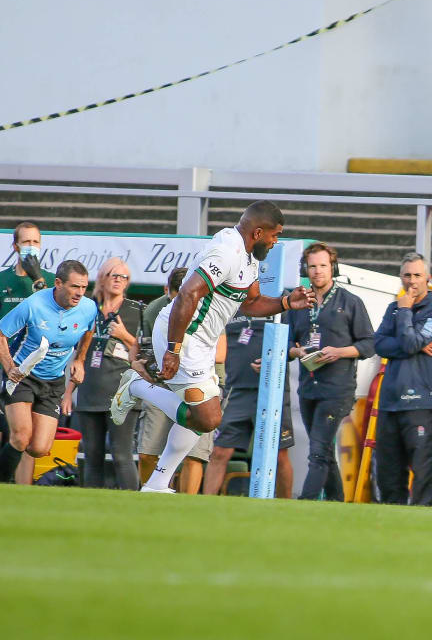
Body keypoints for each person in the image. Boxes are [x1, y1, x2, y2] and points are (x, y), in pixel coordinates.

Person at [110, 201, 315, 493]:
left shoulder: (249, 257)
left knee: (198, 418)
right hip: (184, 336)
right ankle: (136, 386)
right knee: (208, 418)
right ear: (258, 232)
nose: (276, 241)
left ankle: (156, 483)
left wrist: (285, 302)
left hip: (202, 343)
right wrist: (174, 349)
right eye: (275, 235)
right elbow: (188, 293)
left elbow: (252, 303)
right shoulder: (226, 252)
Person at [287, 242, 374, 501]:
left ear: (332, 267)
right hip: (308, 387)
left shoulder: (350, 302)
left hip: (338, 389)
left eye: (323, 266)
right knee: (323, 451)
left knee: (317, 451)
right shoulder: (299, 300)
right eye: (312, 266)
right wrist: (297, 352)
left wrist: (339, 351)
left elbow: (369, 344)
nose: (317, 272)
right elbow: (287, 341)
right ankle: (338, 503)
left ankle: (305, 503)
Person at [0, 260, 97, 483]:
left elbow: (89, 329)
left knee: (38, 448)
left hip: (53, 381)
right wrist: (9, 367)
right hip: (23, 374)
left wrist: (80, 360)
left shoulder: (88, 307)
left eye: (83, 287)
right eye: (74, 287)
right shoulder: (33, 305)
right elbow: (1, 334)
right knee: (21, 438)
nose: (79, 293)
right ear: (58, 283)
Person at [373, 252, 432, 506]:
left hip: (421, 402)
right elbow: (379, 344)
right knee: (388, 473)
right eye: (407, 275)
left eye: (417, 275)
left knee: (425, 474)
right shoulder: (392, 308)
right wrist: (412, 344)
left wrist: (405, 318)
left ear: (428, 277)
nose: (412, 281)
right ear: (400, 277)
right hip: (390, 401)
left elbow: (409, 341)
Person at [137, 267, 216, 492]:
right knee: (148, 452)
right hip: (164, 381)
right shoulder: (155, 309)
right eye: (176, 296)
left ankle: (181, 502)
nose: (181, 303)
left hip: (198, 380)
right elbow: (141, 346)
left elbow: (220, 352)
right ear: (167, 292)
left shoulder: (210, 306)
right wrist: (143, 362)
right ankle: (153, 490)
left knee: (194, 455)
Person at [203, 312, 295, 498]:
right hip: (237, 391)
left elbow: (294, 343)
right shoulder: (231, 302)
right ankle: (207, 503)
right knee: (220, 451)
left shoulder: (280, 300)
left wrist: (274, 360)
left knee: (279, 454)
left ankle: (287, 505)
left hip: (272, 390)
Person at [73, 258, 142, 489]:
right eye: (113, 274)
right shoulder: (87, 308)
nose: (118, 280)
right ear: (102, 277)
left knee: (121, 454)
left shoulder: (136, 310)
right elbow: (76, 353)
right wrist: (68, 392)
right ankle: (91, 510)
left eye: (123, 277)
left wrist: (124, 335)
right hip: (90, 389)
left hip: (122, 391)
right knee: (91, 455)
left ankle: (133, 509)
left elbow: (146, 353)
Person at [0, 222, 56, 483]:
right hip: (5, 364)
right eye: (26, 242)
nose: (32, 247)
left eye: (36, 242)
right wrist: (7, 364)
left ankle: (22, 489)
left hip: (36, 369)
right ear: (15, 246)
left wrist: (39, 280)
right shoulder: (3, 280)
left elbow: (56, 319)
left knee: (29, 437)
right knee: (10, 432)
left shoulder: (50, 280)